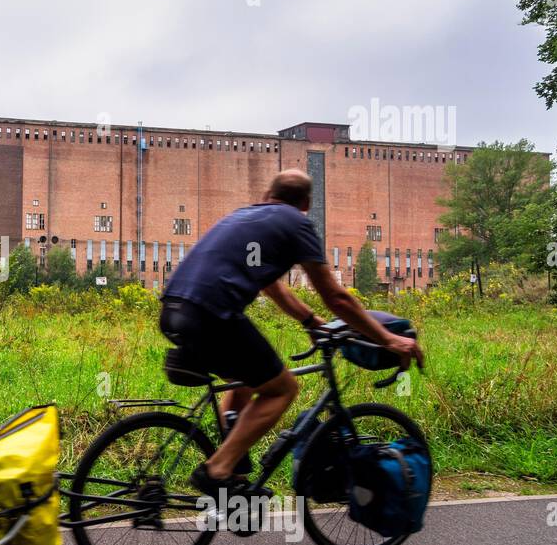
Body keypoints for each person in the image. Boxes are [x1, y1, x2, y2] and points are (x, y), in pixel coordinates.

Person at [160, 169, 423, 496]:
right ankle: (217, 470)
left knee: (244, 382)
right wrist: (388, 338)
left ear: (269, 194)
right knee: (282, 389)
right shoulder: (296, 223)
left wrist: (311, 322)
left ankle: (234, 475)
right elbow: (336, 296)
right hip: (212, 315)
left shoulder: (244, 216)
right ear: (307, 203)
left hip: (173, 309)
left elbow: (270, 286)